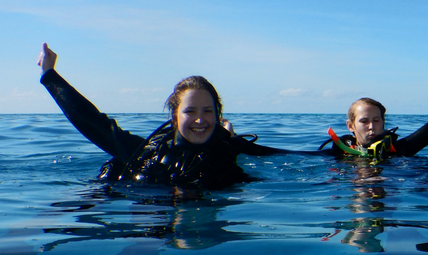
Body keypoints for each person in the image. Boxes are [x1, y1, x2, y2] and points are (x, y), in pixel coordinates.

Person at [37, 43, 290, 189]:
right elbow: (92, 122)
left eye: (208, 111)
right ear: (175, 116)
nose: (200, 120)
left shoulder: (229, 150)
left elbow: (290, 157)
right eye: (190, 111)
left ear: (218, 114)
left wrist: (332, 152)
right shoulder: (147, 153)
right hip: (149, 217)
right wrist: (50, 75)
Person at [318, 68, 428, 159]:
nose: (372, 126)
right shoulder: (340, 154)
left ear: (383, 122)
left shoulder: (399, 150)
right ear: (351, 126)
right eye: (364, 121)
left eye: (377, 120)